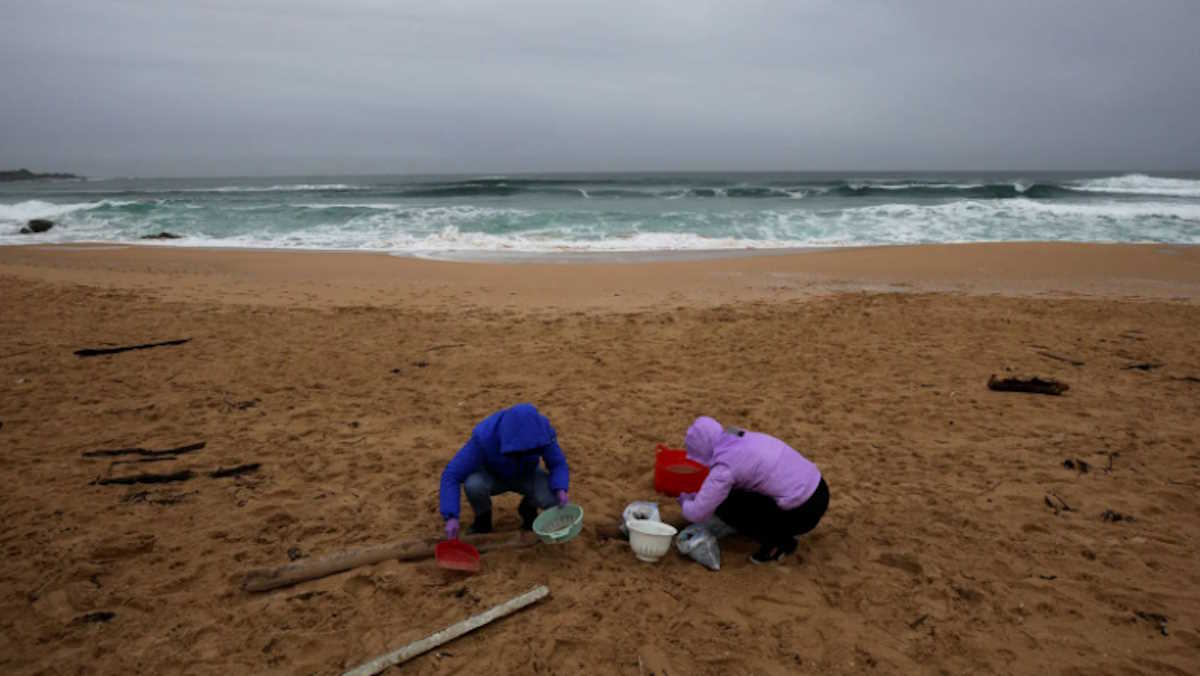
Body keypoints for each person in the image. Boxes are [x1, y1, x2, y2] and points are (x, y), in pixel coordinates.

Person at [677, 416, 829, 564]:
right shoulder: (736, 435)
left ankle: (779, 543)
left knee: (724, 505)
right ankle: (772, 529)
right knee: (732, 493)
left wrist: (685, 500)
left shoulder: (725, 467)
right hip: (818, 488)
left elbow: (698, 513)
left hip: (804, 512)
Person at [439, 403, 570, 540]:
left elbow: (558, 463)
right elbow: (451, 475)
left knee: (552, 499)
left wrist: (560, 488)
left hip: (527, 473)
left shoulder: (542, 433)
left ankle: (528, 509)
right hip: (491, 475)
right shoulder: (485, 437)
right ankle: (483, 520)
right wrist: (451, 517)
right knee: (473, 485)